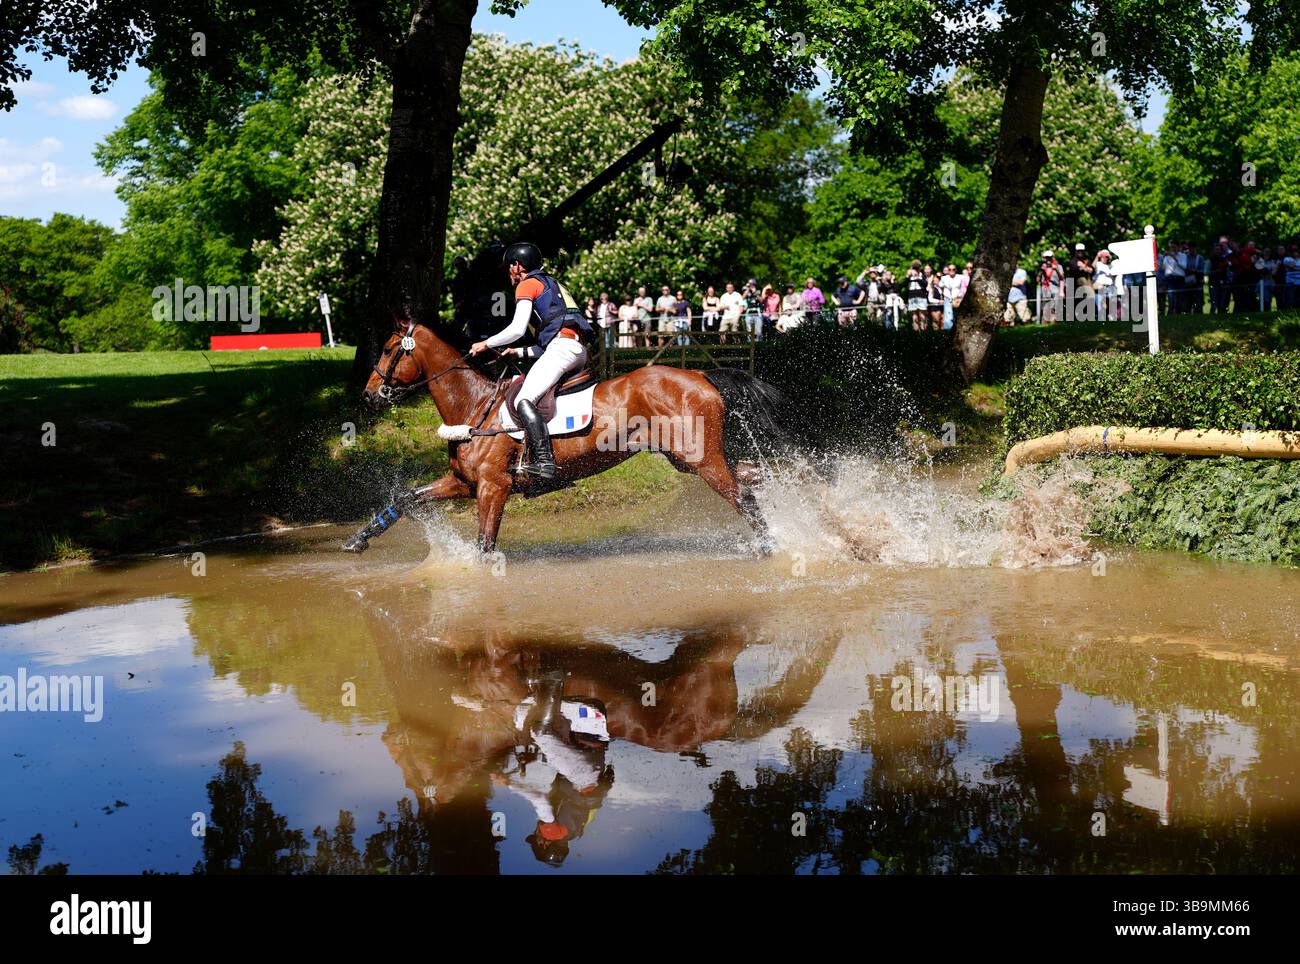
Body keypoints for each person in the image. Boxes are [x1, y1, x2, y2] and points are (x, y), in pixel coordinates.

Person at [470, 241, 593, 480]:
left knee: (524, 399)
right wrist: (517, 353)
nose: (509, 272)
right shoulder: (552, 283)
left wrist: (487, 343)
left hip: (563, 349)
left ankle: (545, 462)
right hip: (576, 349)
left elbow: (516, 329)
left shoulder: (527, 285)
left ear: (518, 265)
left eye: (509, 267)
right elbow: (546, 344)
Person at [1036, 250, 1064, 324]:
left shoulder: (1058, 266)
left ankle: (1054, 326)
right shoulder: (1042, 267)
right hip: (1045, 290)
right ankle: (1044, 326)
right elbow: (1038, 280)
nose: (1048, 259)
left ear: (1052, 258)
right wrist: (1041, 271)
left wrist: (1056, 269)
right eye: (1046, 258)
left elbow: (1062, 278)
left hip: (1055, 290)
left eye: (1049, 257)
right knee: (1045, 310)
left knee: (1055, 309)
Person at [1092, 249, 1117, 321]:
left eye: (1106, 257)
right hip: (1100, 287)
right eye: (1103, 257)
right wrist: (1097, 256)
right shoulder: (1098, 264)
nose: (1105, 258)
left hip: (1109, 287)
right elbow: (1092, 267)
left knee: (1111, 305)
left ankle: (1110, 319)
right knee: (1101, 307)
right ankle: (1102, 321)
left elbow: (1114, 276)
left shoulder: (1110, 265)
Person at [903, 261, 927, 330]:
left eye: (917, 268)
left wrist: (918, 278)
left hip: (922, 297)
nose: (916, 269)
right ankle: (916, 334)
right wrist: (907, 276)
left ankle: (923, 333)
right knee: (915, 317)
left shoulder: (922, 275)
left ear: (920, 268)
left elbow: (925, 284)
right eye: (914, 268)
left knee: (922, 317)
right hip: (912, 298)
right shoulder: (909, 276)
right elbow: (903, 285)